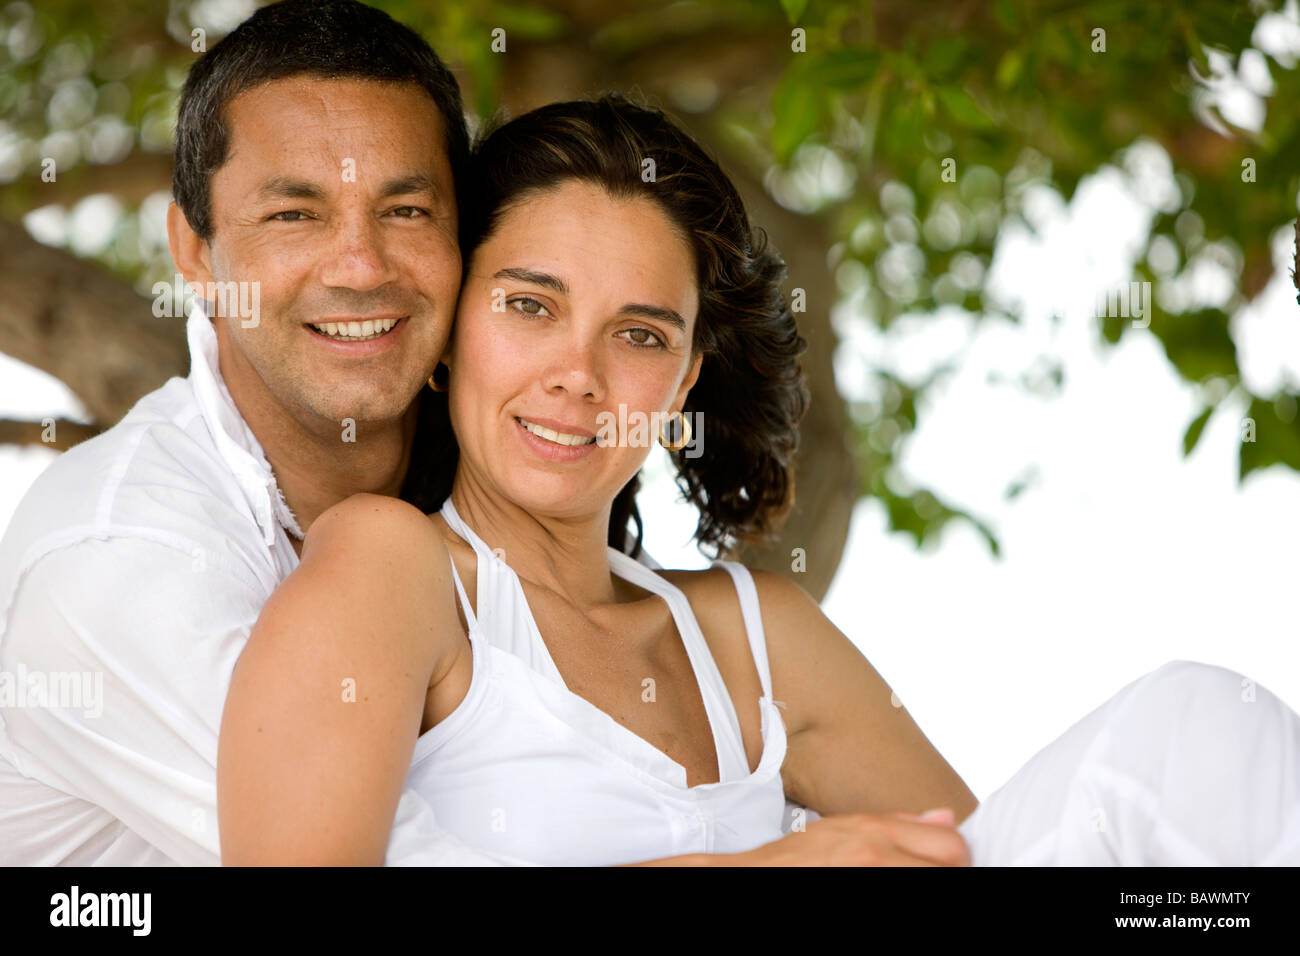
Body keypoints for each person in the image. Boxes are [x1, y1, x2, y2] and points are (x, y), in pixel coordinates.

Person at [217, 95, 1300, 866]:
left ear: (684, 374)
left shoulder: (752, 632)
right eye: (530, 305)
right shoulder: (392, 567)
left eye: (637, 333)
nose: (578, 378)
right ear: (451, 328)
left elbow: (984, 847)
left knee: (1190, 732)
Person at [0, 0, 525, 866]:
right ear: (195, 250)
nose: (360, 267)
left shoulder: (501, 484)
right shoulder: (118, 555)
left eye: (405, 210)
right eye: (294, 215)